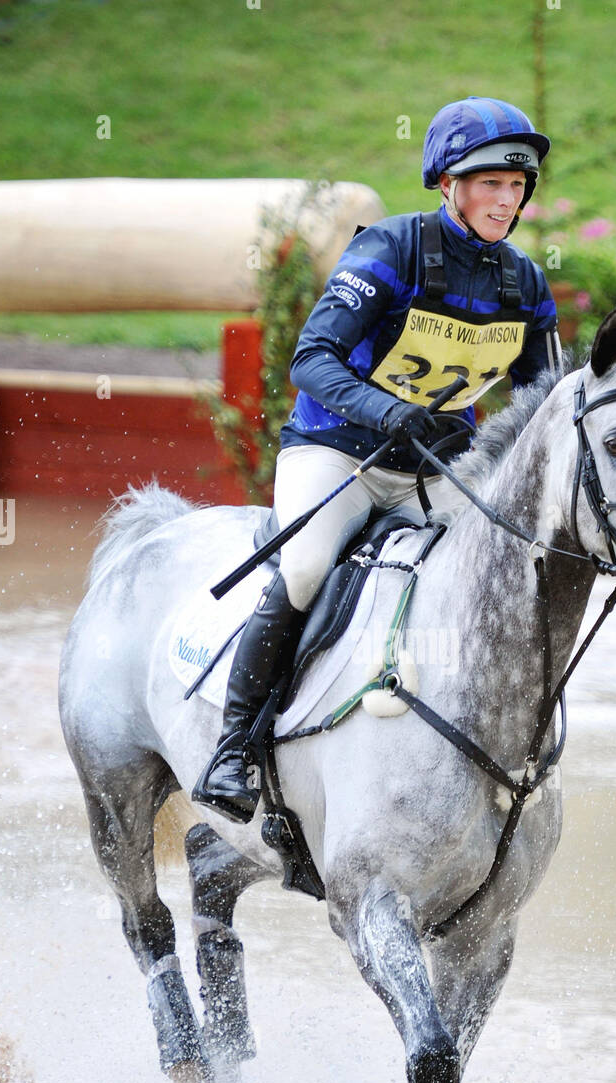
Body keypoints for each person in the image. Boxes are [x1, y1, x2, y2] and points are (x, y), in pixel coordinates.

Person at [193, 96, 560, 824]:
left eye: (517, 187)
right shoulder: (389, 251)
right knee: (302, 570)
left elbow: (544, 408)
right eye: (490, 183)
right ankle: (235, 747)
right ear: (448, 184)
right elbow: (311, 360)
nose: (506, 199)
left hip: (437, 472)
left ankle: (499, 754)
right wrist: (387, 410)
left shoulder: (524, 285)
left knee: (500, 578)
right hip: (337, 453)